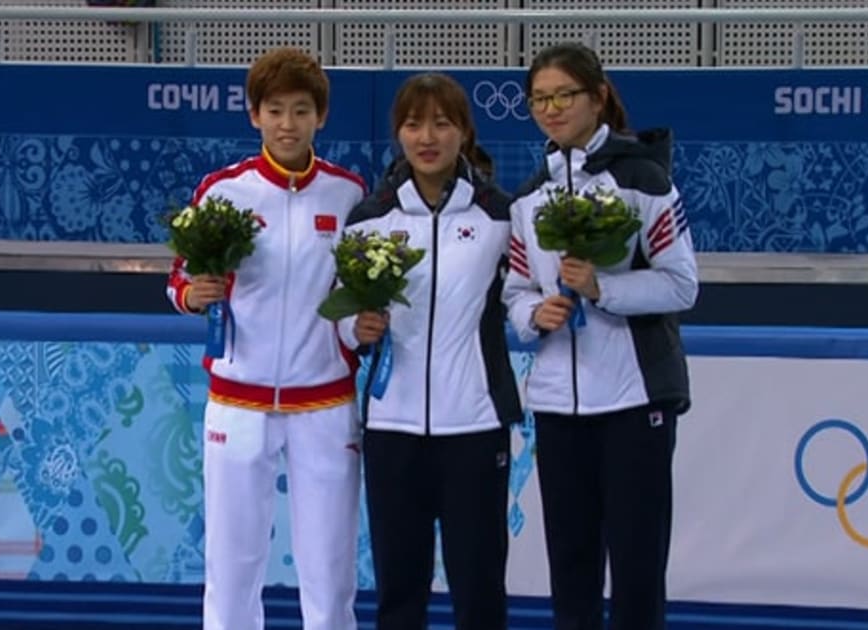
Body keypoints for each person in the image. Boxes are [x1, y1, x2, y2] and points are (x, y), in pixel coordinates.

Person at [164, 47, 366, 630]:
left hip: (325, 403)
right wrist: (191, 294)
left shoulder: (347, 194)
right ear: (254, 114)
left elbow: (359, 292)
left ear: (320, 117)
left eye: (300, 111)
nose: (287, 124)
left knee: (328, 567)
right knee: (232, 564)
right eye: (274, 110)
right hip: (237, 401)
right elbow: (179, 280)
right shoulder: (223, 191)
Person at [502, 42, 699, 630]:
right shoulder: (529, 196)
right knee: (572, 562)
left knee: (637, 565)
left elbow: (682, 285)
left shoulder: (644, 179)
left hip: (635, 402)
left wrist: (602, 291)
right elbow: (514, 292)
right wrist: (534, 316)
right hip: (559, 406)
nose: (551, 108)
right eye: (540, 99)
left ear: (598, 97)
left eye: (564, 95)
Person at [339, 72, 522, 630]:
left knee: (480, 583)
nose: (427, 136)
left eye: (442, 123)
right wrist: (357, 329)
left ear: (463, 132)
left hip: (474, 425)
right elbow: (342, 317)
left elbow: (522, 298)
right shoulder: (371, 217)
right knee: (399, 585)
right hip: (393, 428)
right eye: (414, 123)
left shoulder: (498, 215)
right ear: (398, 133)